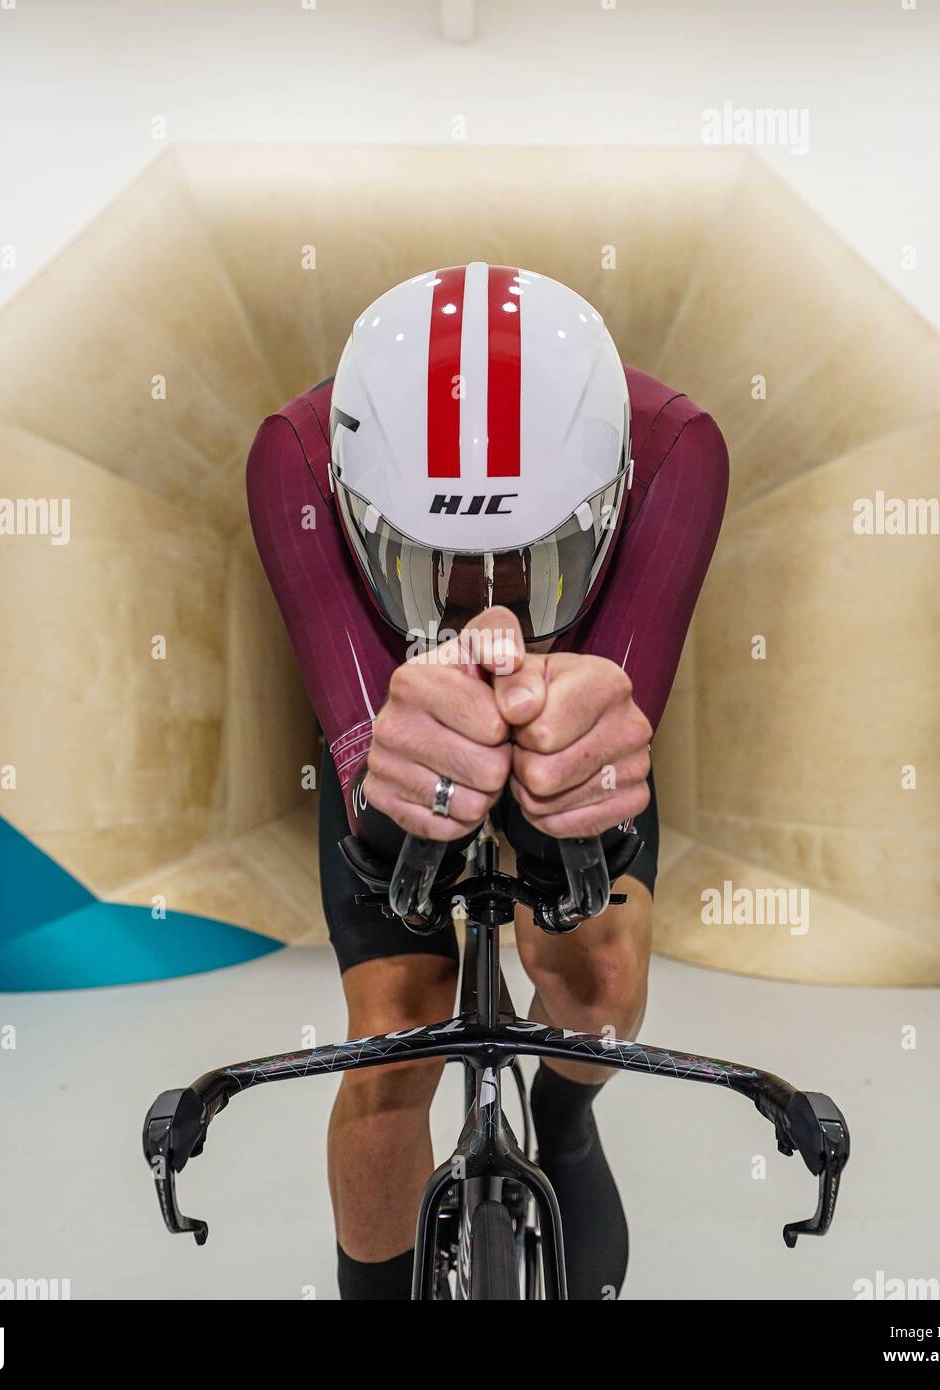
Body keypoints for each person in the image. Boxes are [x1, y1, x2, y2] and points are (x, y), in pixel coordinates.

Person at [246, 262, 728, 1299]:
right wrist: (405, 803)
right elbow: (368, 746)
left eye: (528, 565)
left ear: (606, 501)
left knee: (596, 980)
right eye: (434, 566)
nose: (486, 615)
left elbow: (607, 737)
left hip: (582, 683)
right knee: (392, 1039)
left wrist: (560, 792)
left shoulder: (679, 449)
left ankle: (564, 1114)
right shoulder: (291, 454)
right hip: (393, 692)